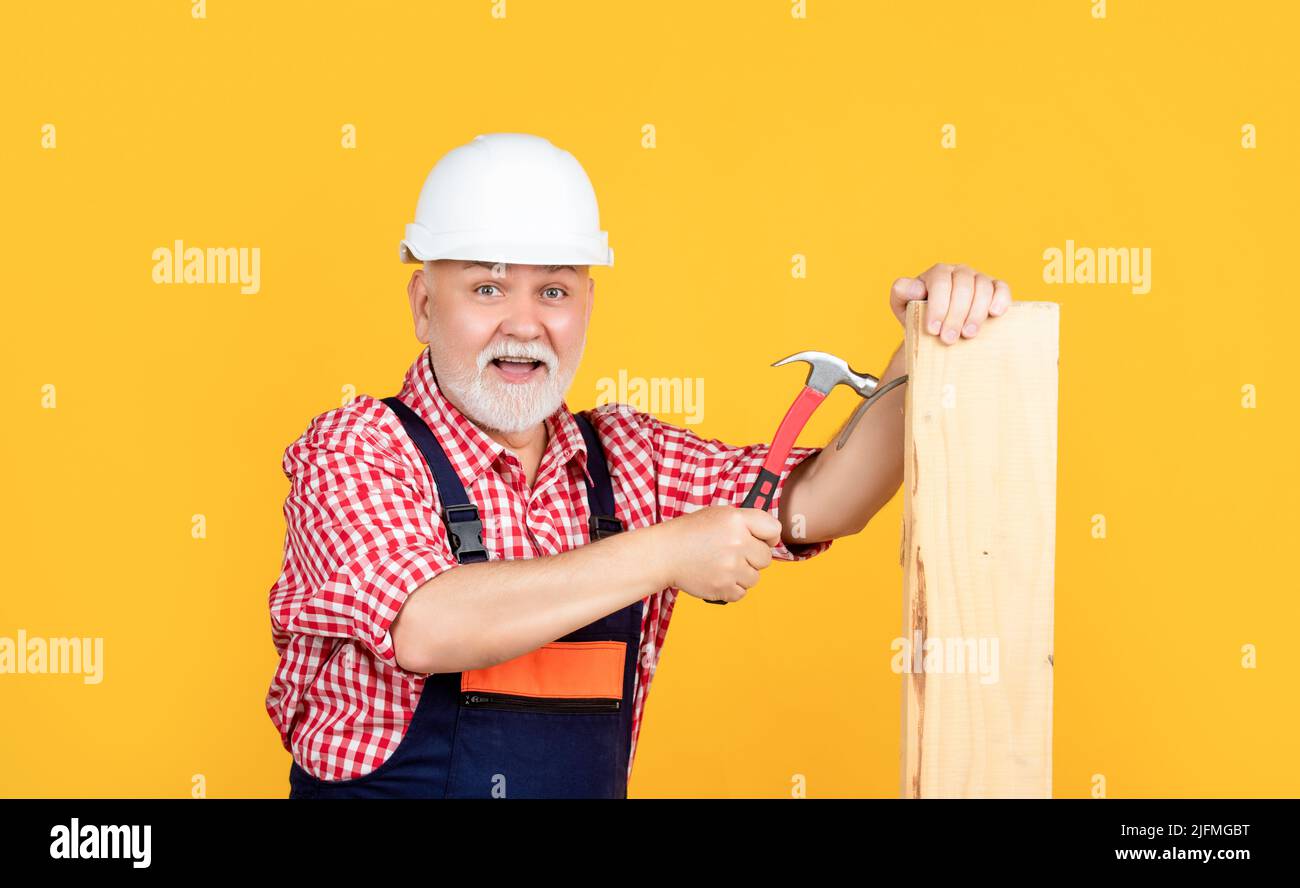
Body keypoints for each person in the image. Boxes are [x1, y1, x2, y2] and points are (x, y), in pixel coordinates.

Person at [264, 132, 1013, 798]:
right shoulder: (357, 447)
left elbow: (828, 503)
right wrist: (667, 552)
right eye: (487, 287)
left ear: (587, 305)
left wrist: (923, 344)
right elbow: (424, 624)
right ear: (424, 305)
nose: (524, 322)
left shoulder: (627, 460)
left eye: (553, 290)